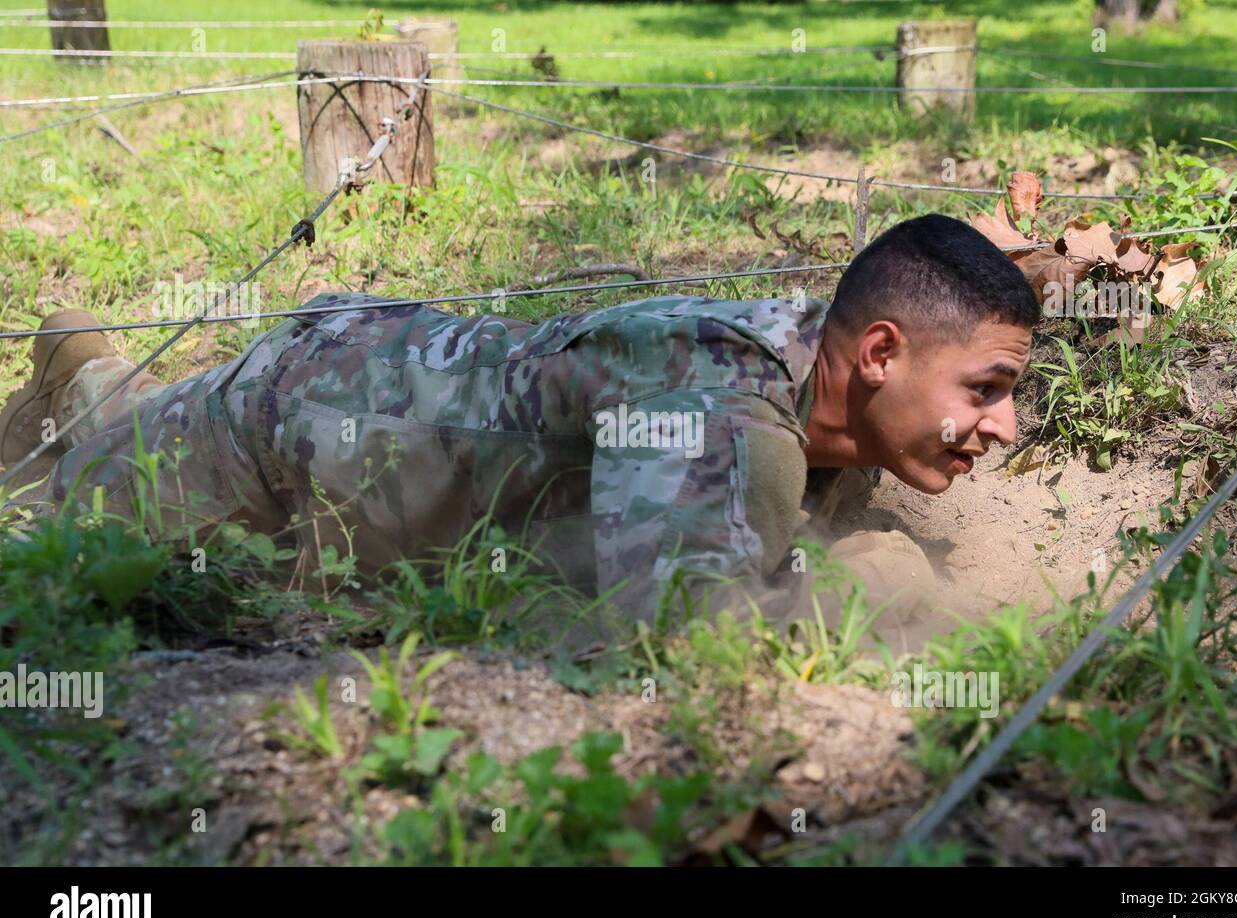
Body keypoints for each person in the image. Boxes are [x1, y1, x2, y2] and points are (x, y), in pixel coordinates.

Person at [0, 214, 1038, 625]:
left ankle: (92, 372)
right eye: (983, 388)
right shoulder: (715, 403)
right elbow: (676, 634)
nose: (1001, 425)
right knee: (85, 488)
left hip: (380, 383)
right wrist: (883, 580)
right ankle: (75, 355)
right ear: (880, 353)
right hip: (295, 425)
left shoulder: (825, 377)